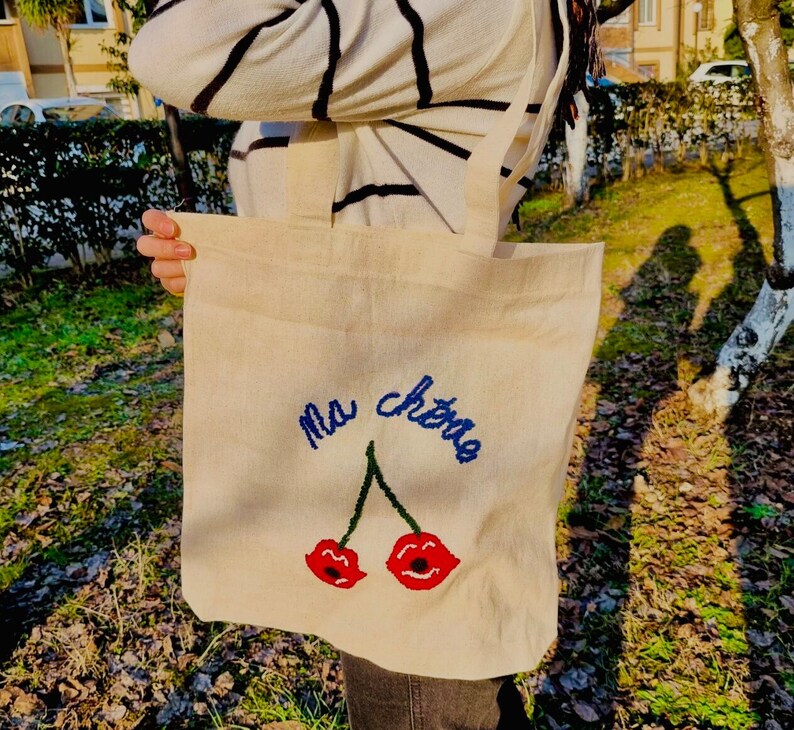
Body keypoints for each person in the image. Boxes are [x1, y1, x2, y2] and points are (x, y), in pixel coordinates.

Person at [129, 0, 603, 726]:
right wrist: (236, 269)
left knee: (423, 694)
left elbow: (179, 49)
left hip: (416, 385)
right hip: (378, 371)